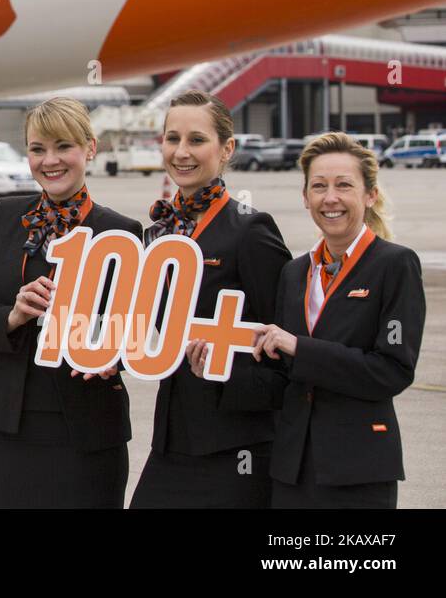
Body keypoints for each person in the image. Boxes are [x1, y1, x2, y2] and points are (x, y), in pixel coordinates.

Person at [0, 97, 141, 507]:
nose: (50, 160)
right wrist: (13, 315)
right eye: (38, 149)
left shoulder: (121, 232)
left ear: (90, 149)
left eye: (63, 147)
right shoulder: (4, 217)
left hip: (89, 429)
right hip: (10, 426)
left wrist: (115, 354)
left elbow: (139, 332)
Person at [130, 90, 292, 508]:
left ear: (227, 149)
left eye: (197, 140)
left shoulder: (251, 231)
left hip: (236, 446)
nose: (181, 152)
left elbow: (289, 354)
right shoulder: (158, 234)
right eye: (172, 139)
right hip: (171, 439)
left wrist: (223, 376)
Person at [256, 133, 424, 508]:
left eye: (343, 185)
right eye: (318, 186)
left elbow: (392, 372)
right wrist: (213, 367)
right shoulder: (294, 273)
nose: (330, 198)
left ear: (370, 195)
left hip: (358, 470)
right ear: (305, 197)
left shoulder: (395, 265)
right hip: (292, 470)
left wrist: (300, 347)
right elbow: (281, 375)